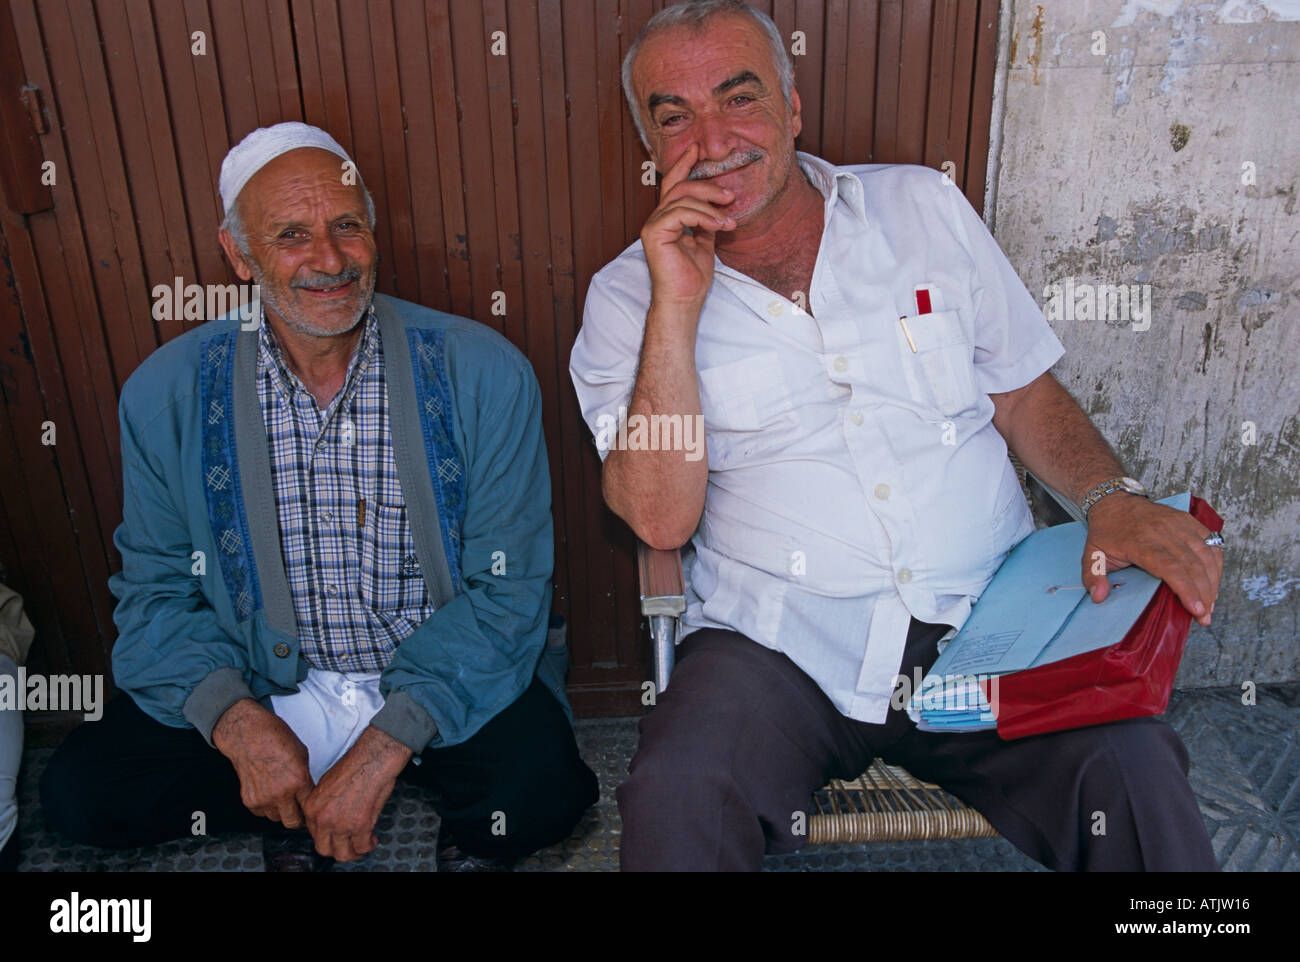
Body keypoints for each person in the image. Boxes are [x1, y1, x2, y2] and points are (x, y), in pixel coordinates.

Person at [570, 0, 1222, 871]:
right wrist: (678, 307)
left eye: (740, 98)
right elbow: (658, 521)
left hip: (989, 616)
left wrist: (1110, 498)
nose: (713, 137)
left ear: (793, 109)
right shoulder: (627, 302)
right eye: (673, 114)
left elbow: (1022, 390)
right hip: (776, 646)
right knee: (678, 796)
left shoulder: (920, 208)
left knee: (1134, 770)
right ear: (648, 144)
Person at [41, 122, 597, 871]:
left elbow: (509, 594)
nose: (329, 261)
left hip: (438, 682)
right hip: (268, 687)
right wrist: (237, 723)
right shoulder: (166, 393)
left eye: (346, 227)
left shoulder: (483, 371)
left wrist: (385, 743)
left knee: (539, 796)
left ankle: (333, 798)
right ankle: (288, 793)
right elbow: (155, 596)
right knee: (82, 793)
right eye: (292, 235)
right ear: (239, 255)